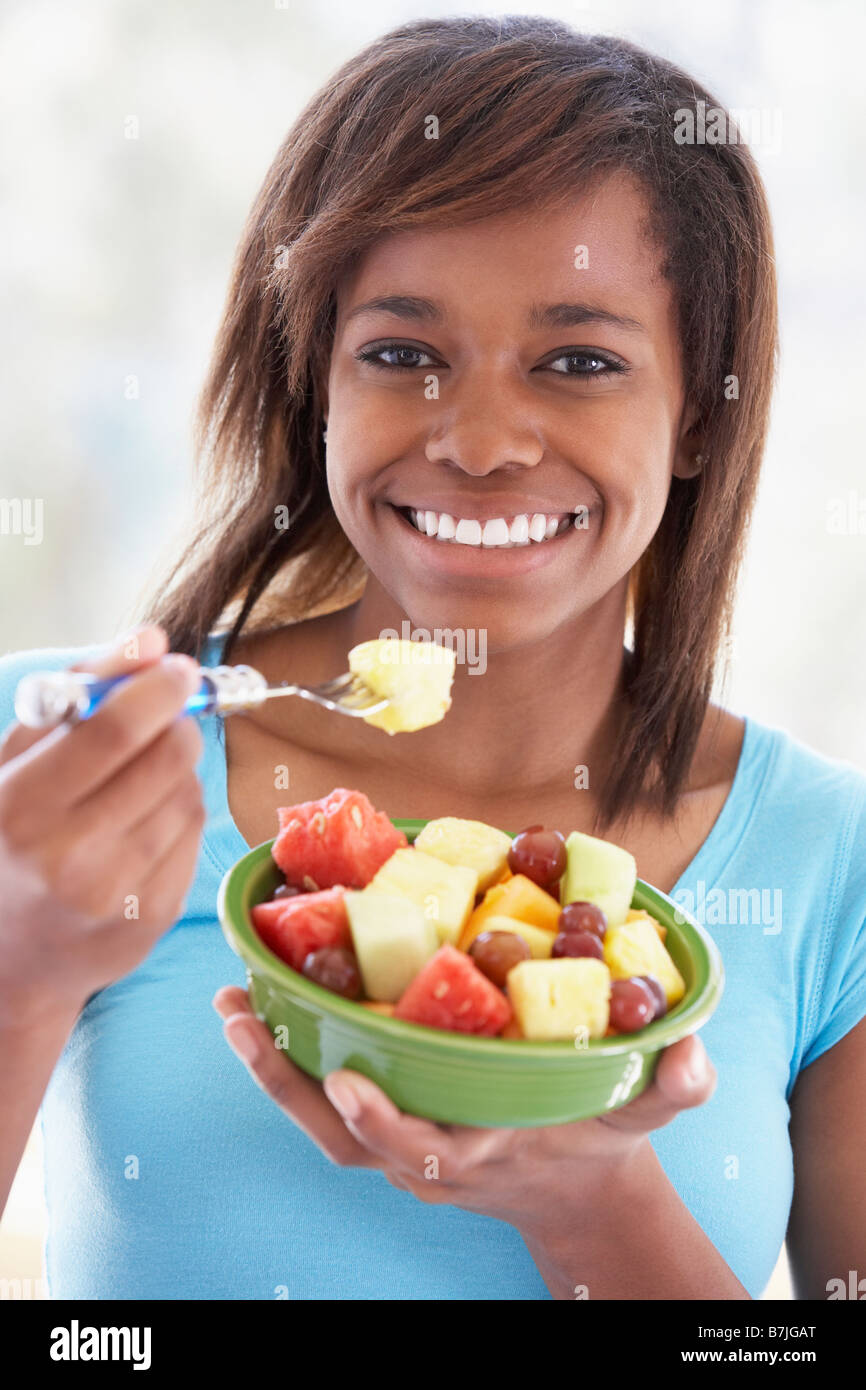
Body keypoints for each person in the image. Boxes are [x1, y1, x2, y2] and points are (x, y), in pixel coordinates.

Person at [1, 17, 864, 1301]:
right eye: (401, 353)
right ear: (316, 387)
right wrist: (19, 968)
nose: (477, 441)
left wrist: (595, 1211)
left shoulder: (827, 858)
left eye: (578, 361)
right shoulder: (55, 756)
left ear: (694, 415)